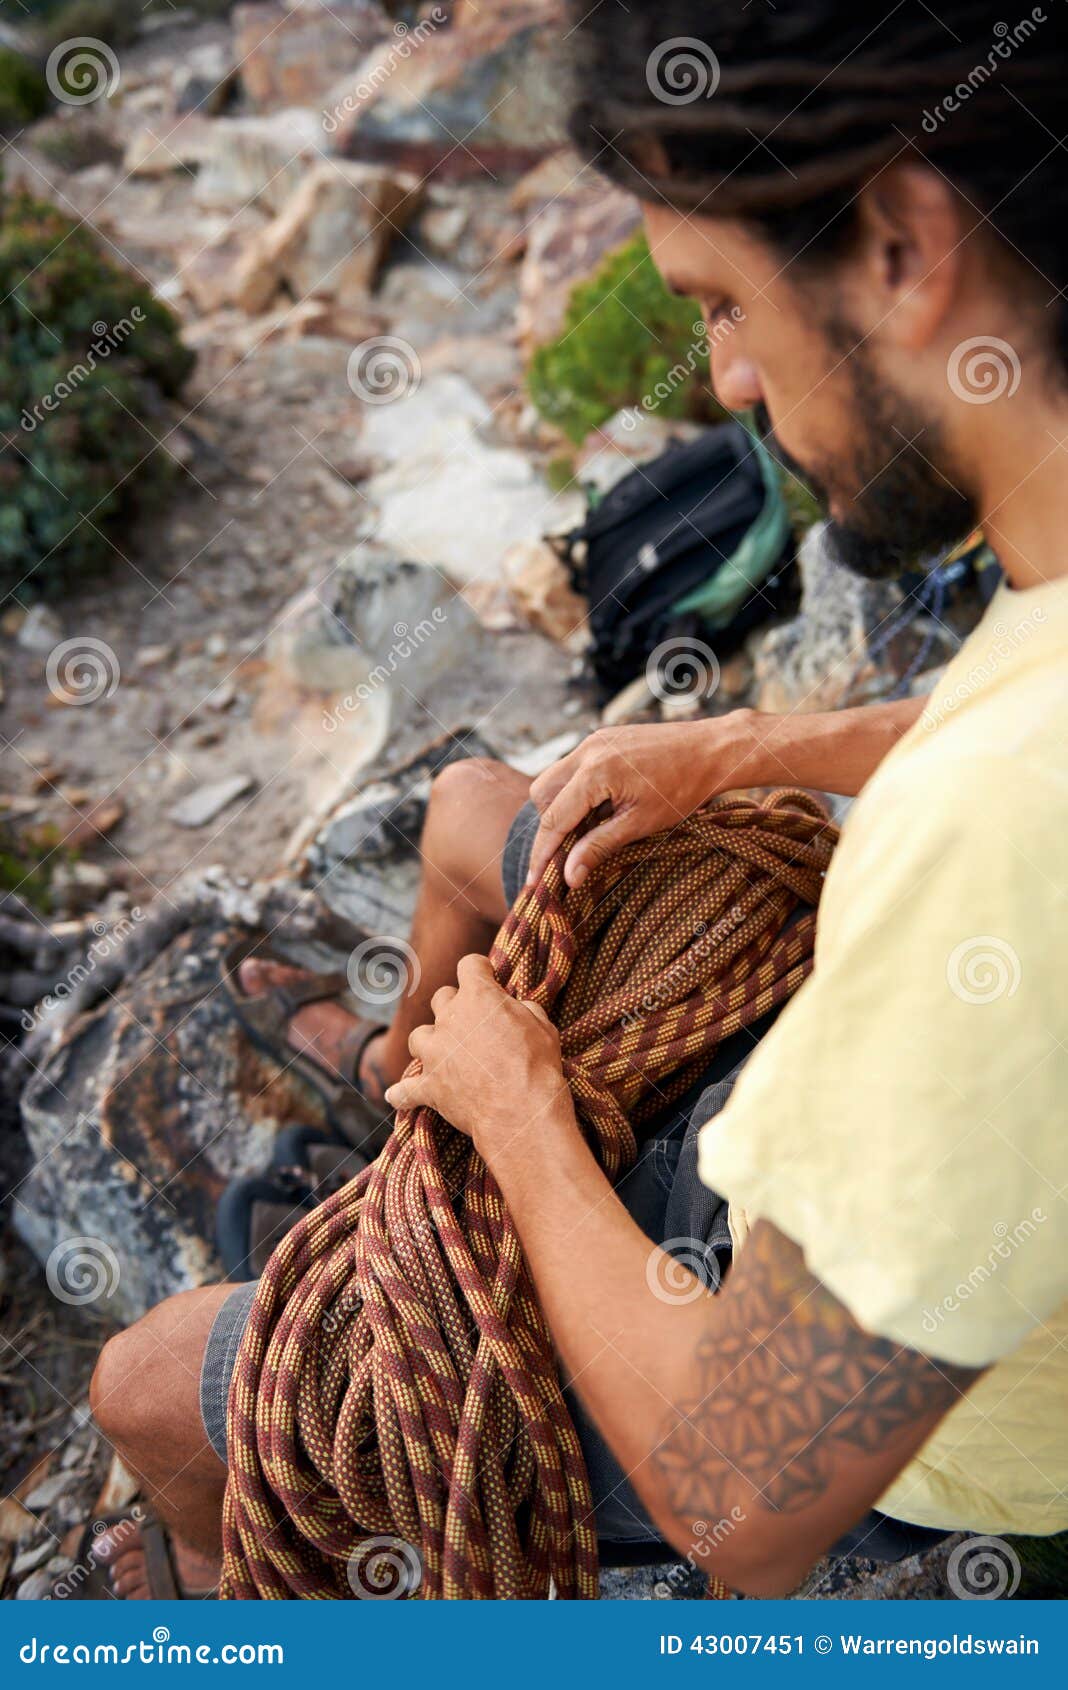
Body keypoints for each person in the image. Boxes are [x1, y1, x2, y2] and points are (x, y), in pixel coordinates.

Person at [85, 0, 1066, 1598]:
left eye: (724, 303)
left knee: (147, 1386)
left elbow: (748, 1499)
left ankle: (249, 1600)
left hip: (874, 1409)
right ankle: (400, 1120)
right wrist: (738, 747)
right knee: (480, 812)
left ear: (902, 247)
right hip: (882, 1110)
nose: (729, 379)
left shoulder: (996, 832)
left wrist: (525, 1116)